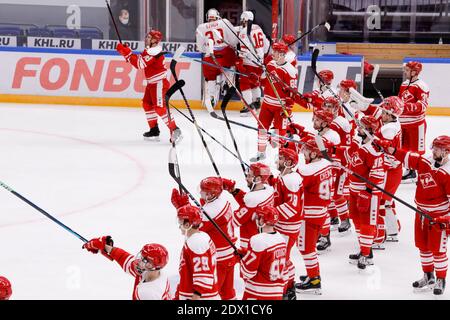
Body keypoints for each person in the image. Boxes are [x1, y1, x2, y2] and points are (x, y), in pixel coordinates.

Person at [385, 135, 450, 295]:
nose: (433, 151)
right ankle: (428, 276)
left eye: (437, 149)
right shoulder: (426, 161)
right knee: (423, 246)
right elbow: (407, 157)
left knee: (438, 250)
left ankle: (441, 279)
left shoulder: (448, 172)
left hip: (438, 217)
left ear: (447, 152)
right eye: (433, 148)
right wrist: (391, 149)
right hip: (421, 213)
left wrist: (446, 219)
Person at [171, 177, 237, 300]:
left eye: (203, 190)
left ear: (211, 194)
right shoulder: (222, 201)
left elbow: (195, 224)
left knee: (216, 291)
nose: (200, 193)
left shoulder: (211, 212)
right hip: (228, 254)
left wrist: (183, 207)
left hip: (220, 258)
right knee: (228, 294)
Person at [336, 116, 385, 270]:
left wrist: (368, 191)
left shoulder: (374, 148)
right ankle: (365, 250)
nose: (358, 129)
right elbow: (349, 155)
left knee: (367, 223)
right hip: (354, 189)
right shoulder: (361, 143)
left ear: (369, 130)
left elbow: (377, 173)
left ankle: (366, 254)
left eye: (362, 127)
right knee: (356, 220)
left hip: (368, 193)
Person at [116, 30, 182, 143]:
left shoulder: (154, 51)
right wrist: (127, 52)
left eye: (149, 37)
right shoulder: (150, 50)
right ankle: (154, 129)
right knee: (147, 104)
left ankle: (175, 129)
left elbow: (139, 64)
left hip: (159, 84)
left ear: (155, 40)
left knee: (160, 108)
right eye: (147, 37)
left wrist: (126, 52)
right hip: (151, 83)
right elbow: (139, 60)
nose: (146, 39)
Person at [355, 96, 404, 245]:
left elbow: (379, 147)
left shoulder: (389, 129)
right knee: (385, 201)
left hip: (391, 170)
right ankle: (393, 229)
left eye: (384, 112)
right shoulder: (393, 123)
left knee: (381, 201)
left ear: (390, 114)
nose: (381, 115)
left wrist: (370, 136)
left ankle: (380, 236)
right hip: (392, 169)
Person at [295, 138, 334, 294]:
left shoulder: (307, 171)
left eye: (306, 150)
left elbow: (295, 184)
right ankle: (313, 275)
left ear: (314, 153)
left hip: (309, 215)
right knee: (308, 247)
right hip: (321, 212)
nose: (303, 153)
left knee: (306, 248)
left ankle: (314, 280)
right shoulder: (327, 164)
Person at [250, 42, 298, 162]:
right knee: (261, 128)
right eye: (273, 51)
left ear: (282, 54)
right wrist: (258, 79)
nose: (273, 53)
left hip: (280, 107)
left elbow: (293, 93)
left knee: (279, 132)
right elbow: (264, 82)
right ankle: (261, 152)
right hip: (267, 104)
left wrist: (288, 108)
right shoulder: (270, 64)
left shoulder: (290, 71)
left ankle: (282, 155)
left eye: (276, 52)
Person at [82, 237, 171, 300]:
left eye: (144, 260)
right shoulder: (153, 273)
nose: (139, 261)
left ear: (151, 266)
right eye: (142, 257)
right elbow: (125, 259)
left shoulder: (148, 293)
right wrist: (104, 246)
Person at [271, 147, 303, 299]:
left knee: (281, 259)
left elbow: (292, 206)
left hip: (287, 226)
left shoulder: (290, 179)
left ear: (289, 162)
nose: (278, 161)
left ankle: (285, 290)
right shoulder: (286, 176)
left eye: (281, 158)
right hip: (286, 224)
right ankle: (289, 287)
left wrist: (271, 214)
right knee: (284, 257)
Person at [222, 163, 274, 251]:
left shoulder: (253, 199)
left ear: (258, 179)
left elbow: (235, 221)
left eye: (249, 176)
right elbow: (248, 204)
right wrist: (234, 191)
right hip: (264, 240)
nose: (246, 178)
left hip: (251, 244)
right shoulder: (267, 190)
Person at [240, 205, 288, 300]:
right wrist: (247, 254)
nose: (256, 220)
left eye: (258, 218)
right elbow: (267, 260)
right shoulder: (281, 239)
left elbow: (248, 272)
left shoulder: (257, 240)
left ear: (262, 220)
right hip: (277, 294)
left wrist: (243, 259)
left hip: (257, 293)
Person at [195, 8, 238, 110]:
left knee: (210, 77)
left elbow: (200, 48)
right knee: (231, 61)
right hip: (225, 55)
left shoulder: (201, 27)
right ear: (217, 16)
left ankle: (211, 97)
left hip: (210, 56)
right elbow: (234, 40)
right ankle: (227, 82)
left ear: (207, 17)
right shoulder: (224, 22)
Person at [175, 204, 219, 300]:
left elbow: (203, 273)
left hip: (201, 297)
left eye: (181, 222)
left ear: (188, 224)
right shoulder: (201, 236)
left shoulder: (197, 243)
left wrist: (196, 296)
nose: (179, 226)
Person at [398, 61, 430, 183]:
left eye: (407, 70)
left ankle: (420, 173)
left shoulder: (422, 86)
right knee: (405, 148)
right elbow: (400, 100)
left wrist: (406, 107)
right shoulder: (404, 83)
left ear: (414, 72)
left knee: (417, 150)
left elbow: (423, 105)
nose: (405, 72)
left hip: (416, 124)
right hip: (403, 123)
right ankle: (410, 170)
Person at [236, 11, 270, 116]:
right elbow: (266, 45)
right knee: (255, 83)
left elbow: (243, 50)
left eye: (242, 20)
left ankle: (248, 106)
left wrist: (239, 62)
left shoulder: (243, 32)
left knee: (244, 83)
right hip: (259, 63)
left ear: (244, 20)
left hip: (249, 63)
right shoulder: (258, 28)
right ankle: (257, 103)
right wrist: (261, 56)